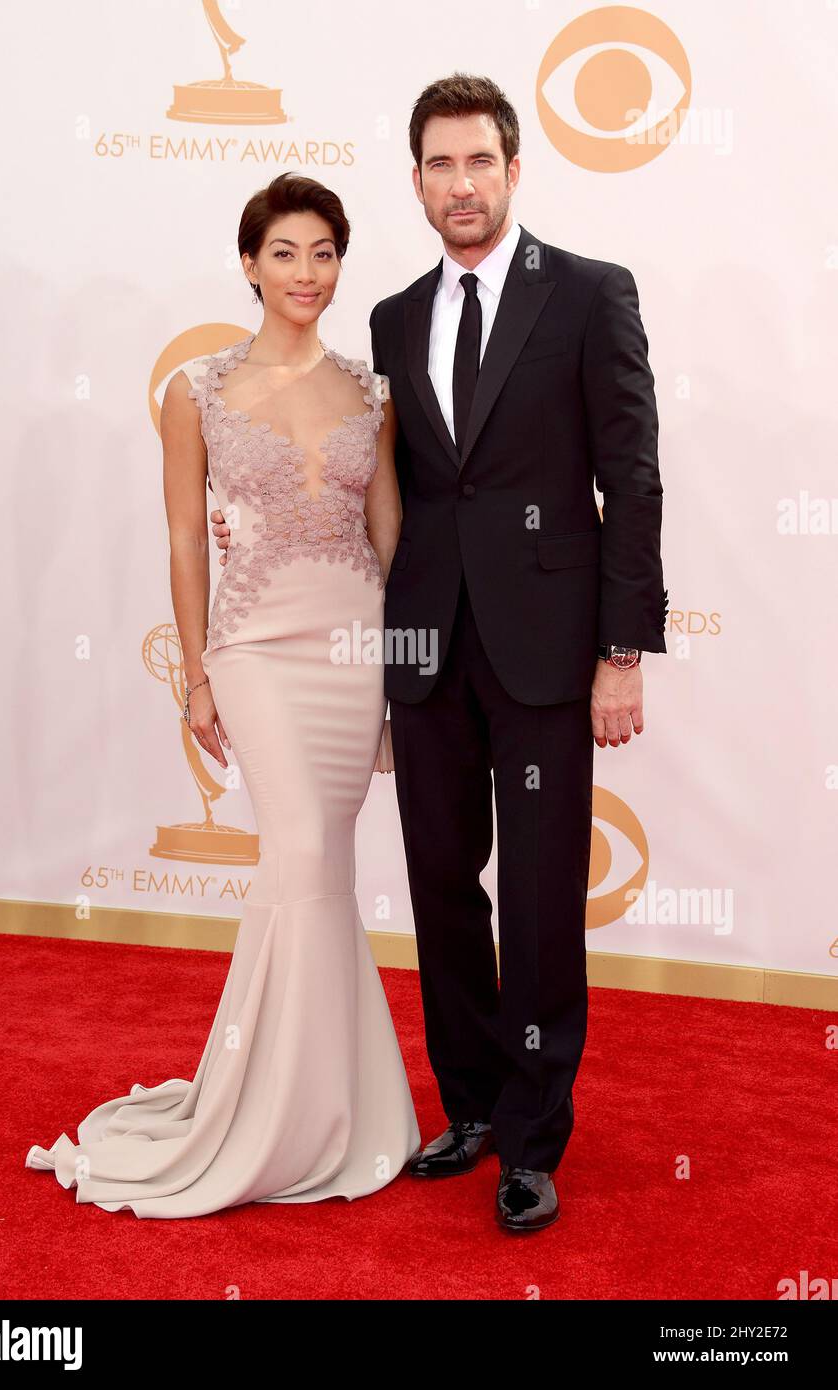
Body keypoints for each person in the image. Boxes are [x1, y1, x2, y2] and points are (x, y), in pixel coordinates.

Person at [212, 75, 667, 1233]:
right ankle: (466, 1104)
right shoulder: (394, 319)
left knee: (539, 894)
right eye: (437, 166)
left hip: (549, 649)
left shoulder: (589, 294)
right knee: (440, 890)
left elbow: (633, 479)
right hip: (423, 647)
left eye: (478, 163)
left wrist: (623, 648)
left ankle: (530, 1134)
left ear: (513, 170)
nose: (459, 185)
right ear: (415, 180)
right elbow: (402, 494)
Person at [24, 172, 420, 1217]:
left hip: (352, 649)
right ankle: (268, 1113)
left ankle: (326, 1102)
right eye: (284, 252)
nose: (306, 272)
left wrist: (398, 674)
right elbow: (182, 538)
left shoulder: (372, 393)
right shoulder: (194, 388)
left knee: (321, 864)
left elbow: (388, 532)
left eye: (324, 252)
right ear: (249, 264)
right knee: (296, 855)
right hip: (253, 647)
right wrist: (197, 673)